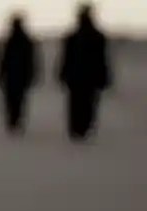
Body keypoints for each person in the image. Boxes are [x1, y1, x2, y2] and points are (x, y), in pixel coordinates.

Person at [57, 5, 112, 142]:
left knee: (79, 104)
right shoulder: (95, 36)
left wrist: (62, 73)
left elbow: (66, 58)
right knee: (86, 104)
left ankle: (78, 129)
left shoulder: (75, 37)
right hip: (86, 77)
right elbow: (102, 60)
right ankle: (81, 128)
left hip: (79, 77)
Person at [0, 13, 40, 135]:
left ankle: (13, 122)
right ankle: (16, 121)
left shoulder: (9, 41)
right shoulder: (25, 41)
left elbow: (2, 60)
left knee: (11, 101)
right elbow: (31, 60)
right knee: (18, 101)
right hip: (19, 76)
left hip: (12, 76)